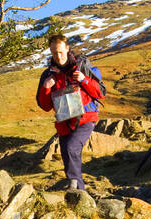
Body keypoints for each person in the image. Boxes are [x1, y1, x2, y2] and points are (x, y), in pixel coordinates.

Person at [35, 33, 103, 191]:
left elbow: (100, 93)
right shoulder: (48, 75)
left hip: (86, 118)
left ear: (67, 49)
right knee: (67, 153)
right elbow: (44, 106)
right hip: (64, 123)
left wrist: (84, 79)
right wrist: (46, 88)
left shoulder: (82, 68)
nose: (57, 56)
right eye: (53, 53)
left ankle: (73, 183)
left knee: (72, 148)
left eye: (60, 51)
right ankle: (79, 192)